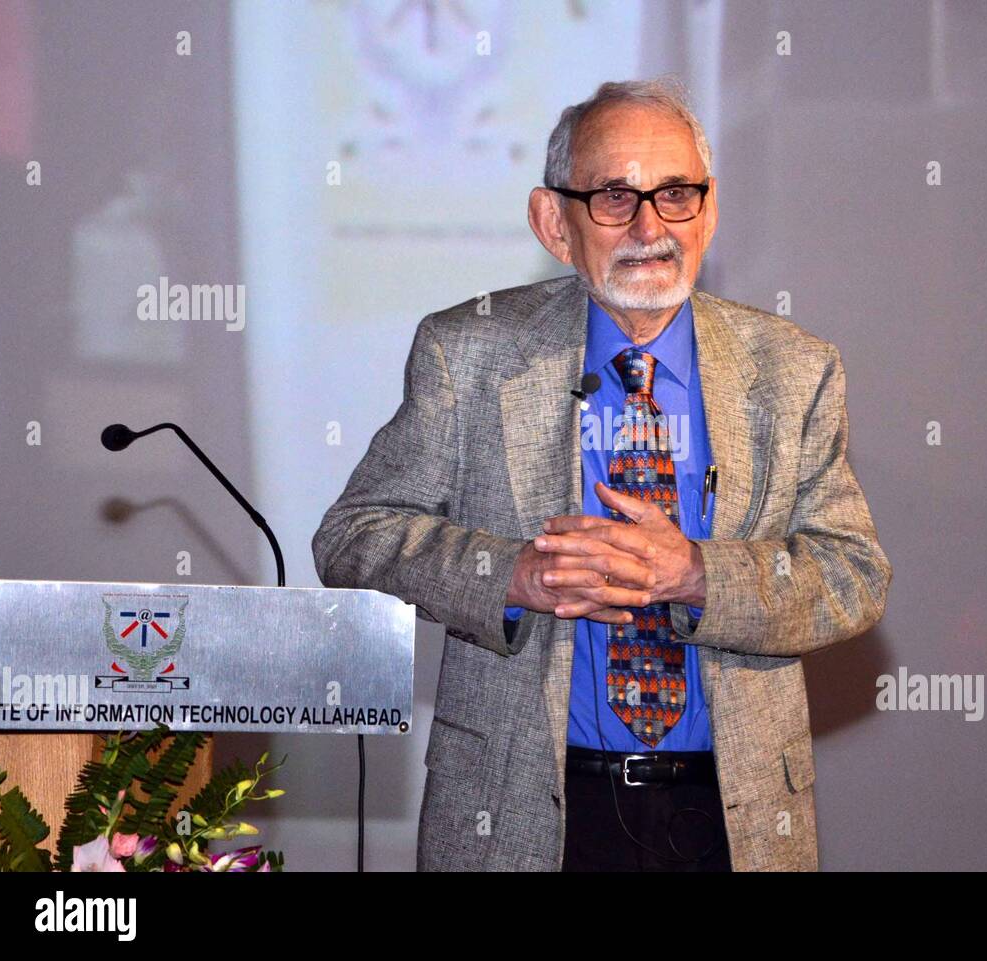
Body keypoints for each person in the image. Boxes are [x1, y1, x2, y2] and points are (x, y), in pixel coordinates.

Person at [311, 76, 892, 872]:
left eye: (676, 193)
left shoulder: (793, 369)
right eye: (615, 196)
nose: (651, 226)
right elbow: (354, 534)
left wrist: (695, 572)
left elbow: (853, 574)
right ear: (555, 222)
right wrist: (511, 575)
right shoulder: (468, 353)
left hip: (730, 811)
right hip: (521, 809)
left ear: (710, 209)